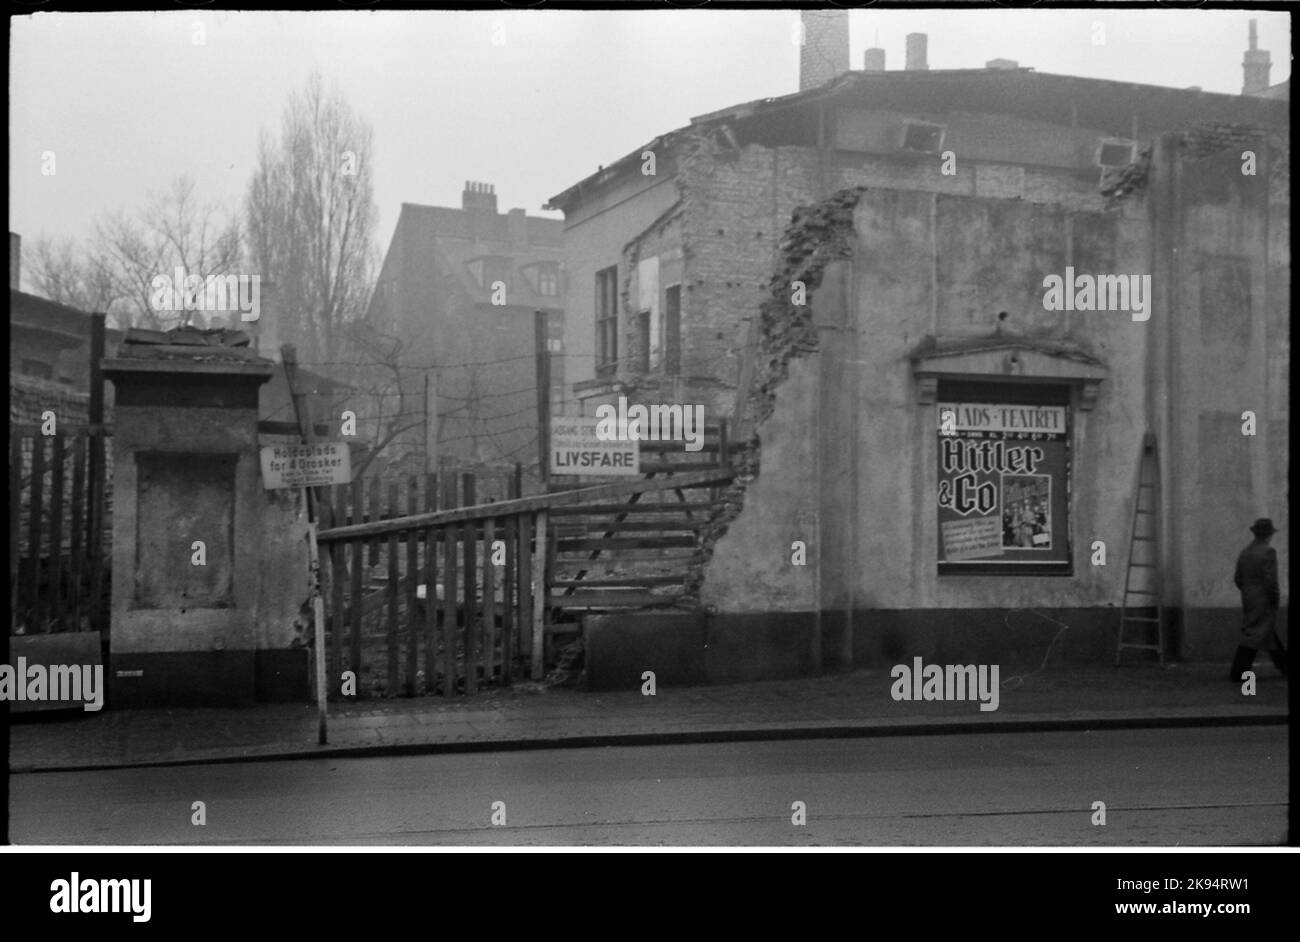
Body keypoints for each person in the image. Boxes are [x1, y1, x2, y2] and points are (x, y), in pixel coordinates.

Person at [1228, 518, 1287, 682]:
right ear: (1269, 534)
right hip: (1264, 599)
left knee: (1263, 632)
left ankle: (1284, 665)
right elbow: (1270, 580)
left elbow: (1238, 578)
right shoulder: (1268, 552)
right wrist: (1275, 598)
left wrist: (1248, 592)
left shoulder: (1245, 552)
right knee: (1255, 635)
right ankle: (1239, 671)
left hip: (1249, 598)